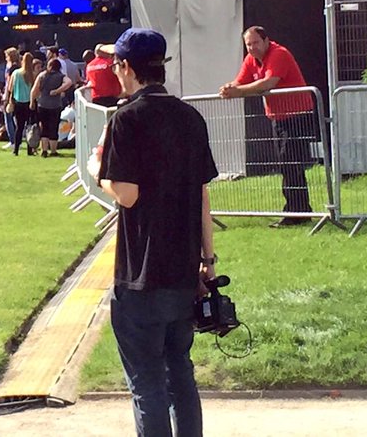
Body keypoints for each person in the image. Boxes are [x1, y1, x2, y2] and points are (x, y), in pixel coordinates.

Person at [98, 29, 218, 437]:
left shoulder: (125, 119)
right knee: (180, 374)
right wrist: (208, 260)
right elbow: (202, 195)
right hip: (183, 268)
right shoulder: (190, 117)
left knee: (147, 384)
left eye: (116, 64)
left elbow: (127, 195)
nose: (115, 71)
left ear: (128, 67)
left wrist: (102, 178)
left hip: (140, 273)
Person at [219, 26, 316, 226]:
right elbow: (240, 81)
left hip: (298, 115)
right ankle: (299, 210)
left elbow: (267, 83)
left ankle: (296, 212)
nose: (252, 48)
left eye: (255, 43)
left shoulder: (279, 54)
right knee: (286, 163)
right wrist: (229, 88)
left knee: (291, 163)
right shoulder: (251, 60)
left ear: (266, 41)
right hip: (278, 117)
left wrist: (237, 92)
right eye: (248, 44)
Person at [31, 58, 72, 157]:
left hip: (42, 104)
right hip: (55, 105)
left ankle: (44, 150)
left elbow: (34, 90)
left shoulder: (42, 75)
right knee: (54, 127)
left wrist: (32, 101)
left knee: (44, 127)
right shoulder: (60, 76)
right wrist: (58, 91)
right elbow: (69, 82)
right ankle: (53, 151)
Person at [5, 53, 36, 156]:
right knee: (29, 127)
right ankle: (29, 150)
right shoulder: (32, 75)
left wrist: (10, 100)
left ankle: (16, 150)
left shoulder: (16, 73)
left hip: (18, 103)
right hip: (29, 103)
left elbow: (10, 88)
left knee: (19, 127)